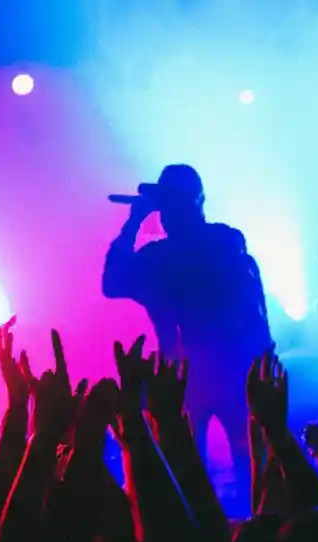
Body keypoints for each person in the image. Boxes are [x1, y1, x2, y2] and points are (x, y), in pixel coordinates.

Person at [102, 164, 272, 514]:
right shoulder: (165, 256)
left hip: (224, 374)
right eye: (164, 207)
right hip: (186, 379)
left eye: (173, 204)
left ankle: (250, 530)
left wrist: (136, 221)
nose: (165, 215)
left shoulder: (216, 243)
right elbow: (112, 284)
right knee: (188, 467)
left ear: (196, 202)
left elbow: (118, 278)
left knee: (245, 461)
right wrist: (137, 220)